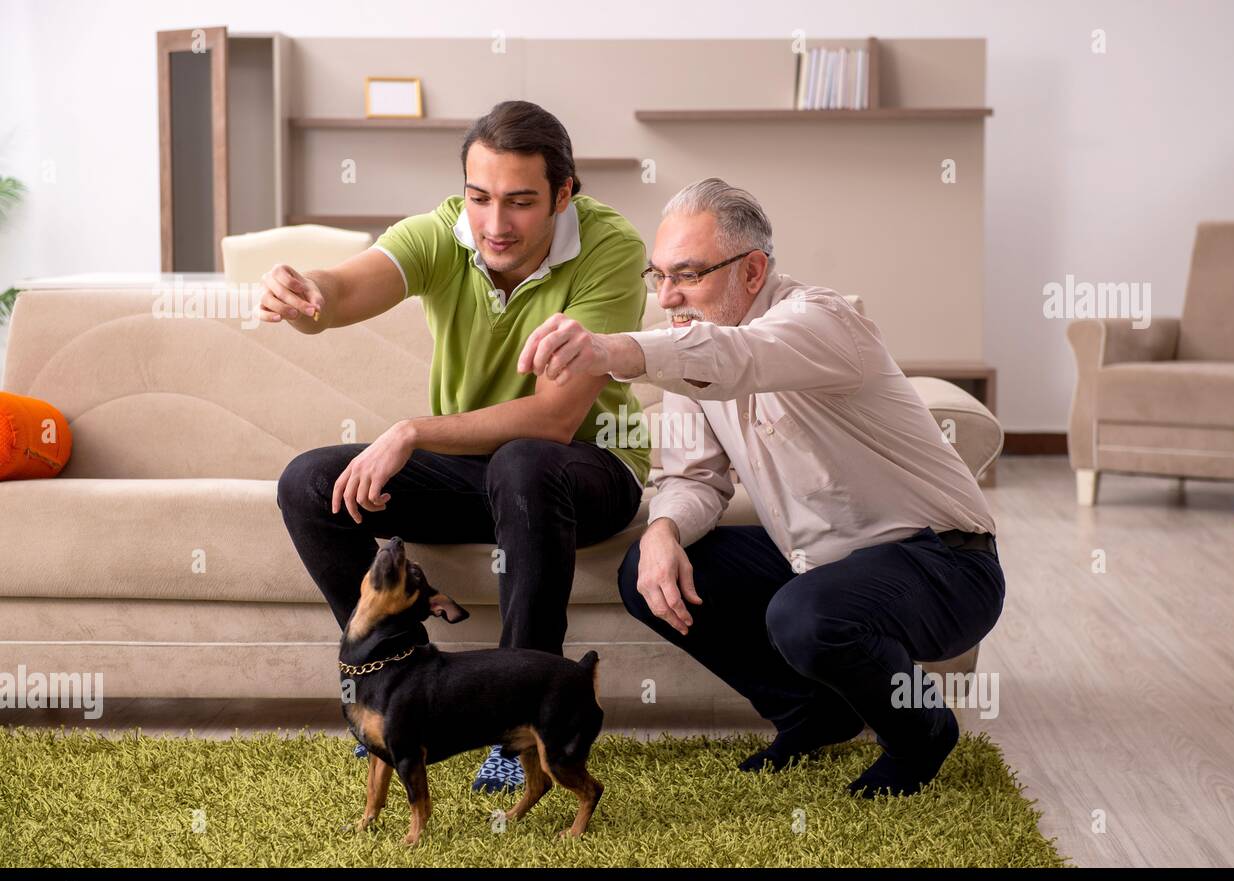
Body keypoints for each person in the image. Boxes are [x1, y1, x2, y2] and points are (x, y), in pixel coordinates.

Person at [517, 178, 1005, 799]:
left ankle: (921, 735)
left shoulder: (822, 321)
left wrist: (611, 349)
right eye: (658, 276)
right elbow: (692, 477)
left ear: (753, 271)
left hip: (945, 565)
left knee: (805, 615)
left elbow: (738, 356)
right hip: (822, 565)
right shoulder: (686, 351)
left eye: (688, 275)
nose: (668, 298)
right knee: (652, 568)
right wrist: (663, 531)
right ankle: (813, 713)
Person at [271, 101, 650, 793]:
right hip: (481, 480)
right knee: (308, 482)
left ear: (565, 195)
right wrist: (306, 292)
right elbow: (346, 288)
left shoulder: (611, 249)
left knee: (524, 460)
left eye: (520, 202)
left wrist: (412, 430)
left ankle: (517, 721)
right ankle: (396, 687)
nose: (494, 224)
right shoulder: (444, 235)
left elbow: (555, 419)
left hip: (583, 475)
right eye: (480, 198)